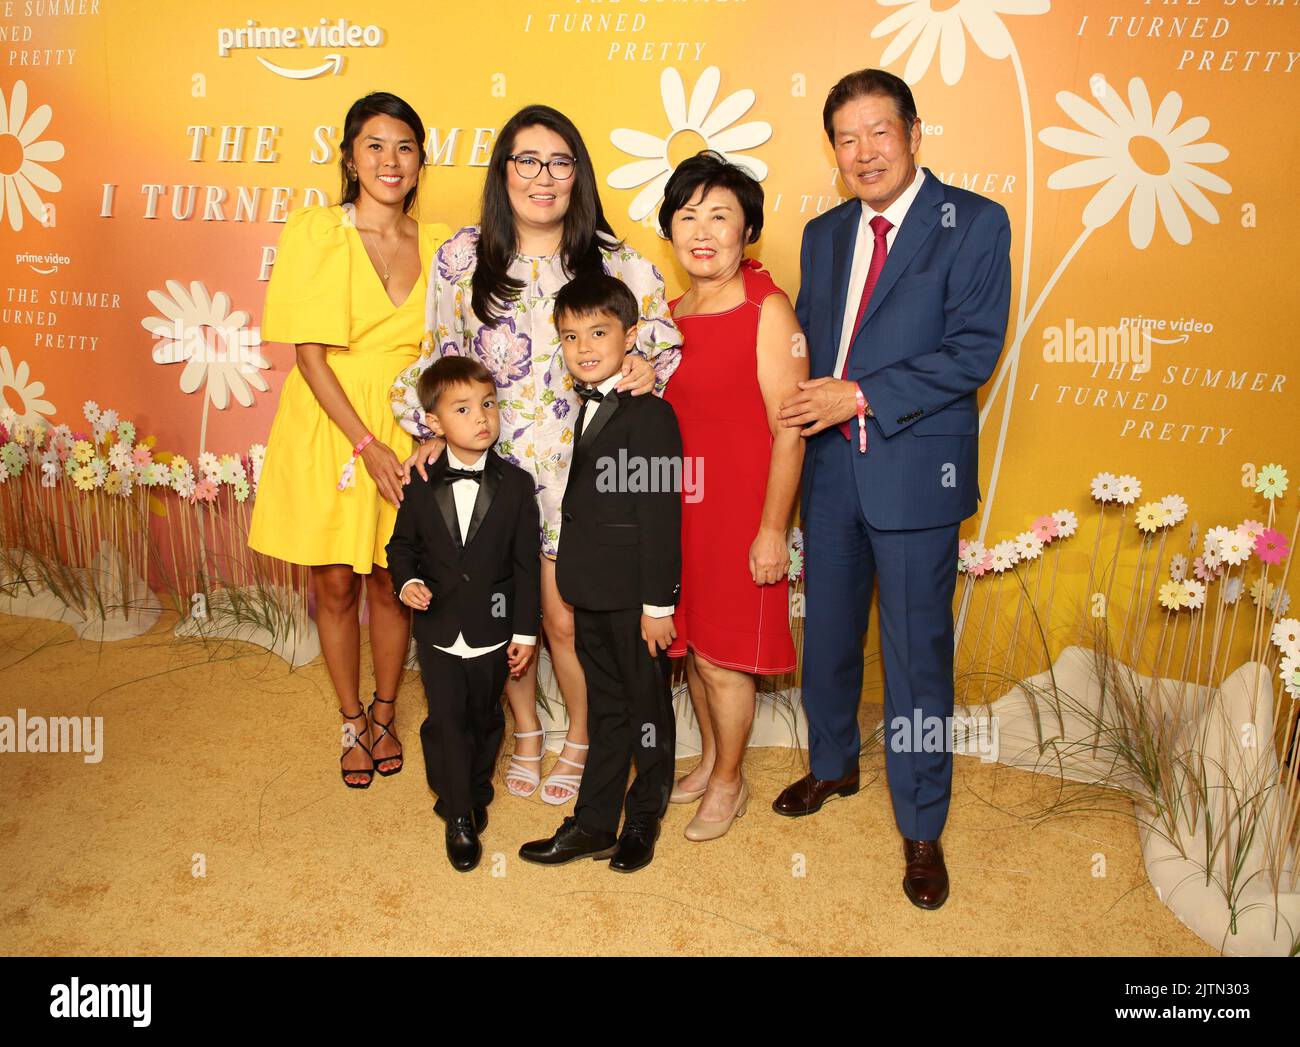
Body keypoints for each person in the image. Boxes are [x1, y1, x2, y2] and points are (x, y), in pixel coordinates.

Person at [391, 105, 681, 807]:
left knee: (560, 620)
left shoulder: (615, 259)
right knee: (497, 612)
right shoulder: (462, 257)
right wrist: (429, 427)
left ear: (577, 174)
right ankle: (525, 730)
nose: (543, 177)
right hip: (492, 473)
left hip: (580, 478)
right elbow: (439, 357)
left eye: (559, 162)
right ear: (504, 172)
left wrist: (645, 367)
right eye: (527, 160)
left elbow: (660, 340)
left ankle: (581, 736)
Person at [774, 69, 1011, 909]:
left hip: (916, 470)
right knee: (828, 636)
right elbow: (805, 341)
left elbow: (974, 350)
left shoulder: (974, 222)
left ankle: (921, 823)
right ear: (833, 151)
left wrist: (861, 392)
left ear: (914, 132)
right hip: (830, 468)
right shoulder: (824, 231)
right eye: (846, 137)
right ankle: (832, 766)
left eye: (880, 131)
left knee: (915, 661)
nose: (864, 151)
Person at [249, 92, 451, 789]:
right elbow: (309, 357)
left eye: (404, 147)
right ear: (349, 158)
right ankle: (348, 717)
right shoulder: (317, 231)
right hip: (335, 424)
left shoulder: (443, 243)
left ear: (421, 162)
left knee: (396, 579)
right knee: (336, 581)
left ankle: (387, 711)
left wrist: (423, 434)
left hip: (409, 428)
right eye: (374, 145)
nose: (389, 160)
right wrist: (367, 445)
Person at [657, 152, 806, 841]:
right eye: (688, 216)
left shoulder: (766, 308)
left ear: (747, 229)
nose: (703, 230)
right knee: (694, 649)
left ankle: (728, 781)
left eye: (720, 215)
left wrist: (773, 529)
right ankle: (714, 757)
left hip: (741, 511)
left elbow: (791, 429)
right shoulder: (669, 311)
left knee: (724, 657)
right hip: (682, 510)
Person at [518, 274, 682, 873]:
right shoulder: (589, 407)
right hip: (589, 590)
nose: (583, 346)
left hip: (636, 601)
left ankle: (643, 819)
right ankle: (593, 823)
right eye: (569, 336)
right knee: (608, 707)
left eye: (598, 332)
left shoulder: (653, 416)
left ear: (630, 336)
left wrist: (658, 605)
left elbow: (660, 517)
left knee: (646, 710)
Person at [386, 357, 541, 872]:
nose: (482, 418)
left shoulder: (517, 487)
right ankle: (457, 812)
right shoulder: (420, 481)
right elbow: (400, 547)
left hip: (493, 632)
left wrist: (524, 631)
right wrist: (407, 582)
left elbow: (524, 567)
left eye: (489, 405)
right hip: (437, 631)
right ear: (434, 424)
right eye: (464, 408)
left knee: (484, 719)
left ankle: (474, 786)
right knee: (446, 720)